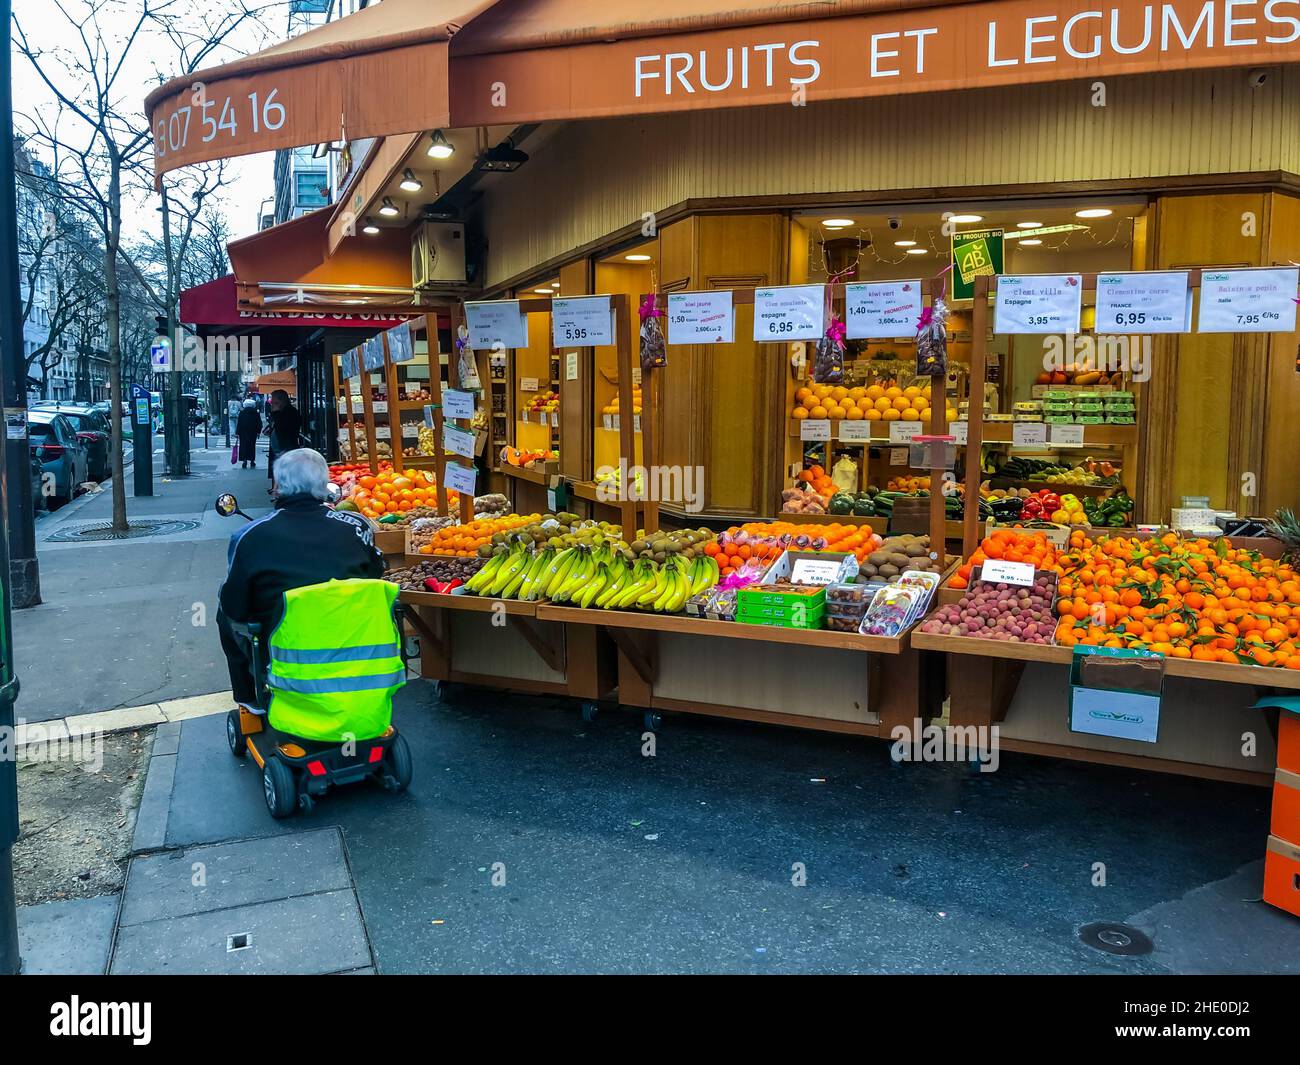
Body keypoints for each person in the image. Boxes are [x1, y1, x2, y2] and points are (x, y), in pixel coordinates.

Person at [218, 448, 384, 711]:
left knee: (223, 611)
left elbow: (235, 606)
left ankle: (251, 699)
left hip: (290, 655)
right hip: (357, 648)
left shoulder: (250, 537)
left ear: (279, 486)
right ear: (324, 483)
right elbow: (376, 573)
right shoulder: (356, 526)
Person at [264, 388, 303, 484]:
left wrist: (275, 413)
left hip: (285, 449)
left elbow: (284, 430)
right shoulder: (283, 412)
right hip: (281, 449)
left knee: (285, 474)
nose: (272, 404)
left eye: (274, 402)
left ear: (281, 401)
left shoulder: (288, 413)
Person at [235, 398, 262, 469]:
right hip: (253, 432)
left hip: (243, 432)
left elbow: (239, 423)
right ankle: (252, 460)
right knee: (252, 445)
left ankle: (244, 460)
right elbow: (259, 423)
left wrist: (237, 432)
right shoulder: (256, 413)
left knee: (243, 445)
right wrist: (258, 431)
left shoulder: (242, 413)